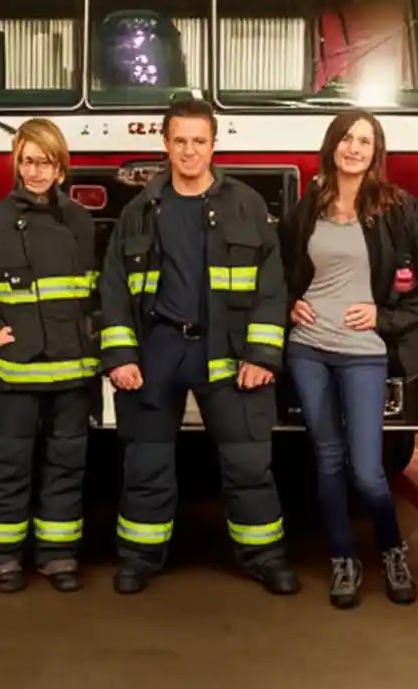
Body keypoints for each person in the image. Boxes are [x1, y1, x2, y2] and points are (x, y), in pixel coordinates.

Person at [99, 98, 298, 596]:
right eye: (180, 141)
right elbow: (114, 288)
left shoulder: (246, 205)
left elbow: (272, 288)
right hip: (158, 350)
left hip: (227, 353)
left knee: (248, 462)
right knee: (146, 462)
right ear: (165, 144)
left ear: (214, 144)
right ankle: (139, 558)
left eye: (199, 141)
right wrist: (121, 356)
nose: (189, 151)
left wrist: (262, 355)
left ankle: (265, 558)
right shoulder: (140, 209)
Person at [280, 109, 418, 609]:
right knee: (326, 462)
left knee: (367, 470)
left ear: (376, 152)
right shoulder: (308, 206)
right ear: (332, 144)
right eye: (347, 139)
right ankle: (343, 559)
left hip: (365, 355)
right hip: (309, 348)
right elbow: (283, 267)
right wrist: (291, 303)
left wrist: (386, 317)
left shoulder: (399, 209)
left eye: (365, 141)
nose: (354, 148)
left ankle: (391, 549)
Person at [0, 118, 97, 593]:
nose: (34, 171)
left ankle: (57, 555)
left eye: (44, 161)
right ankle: (2, 557)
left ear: (61, 168)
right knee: (8, 464)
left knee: (66, 466)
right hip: (10, 375)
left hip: (70, 372)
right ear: (16, 164)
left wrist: (93, 338)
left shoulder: (80, 223)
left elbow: (92, 291)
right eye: (26, 161)